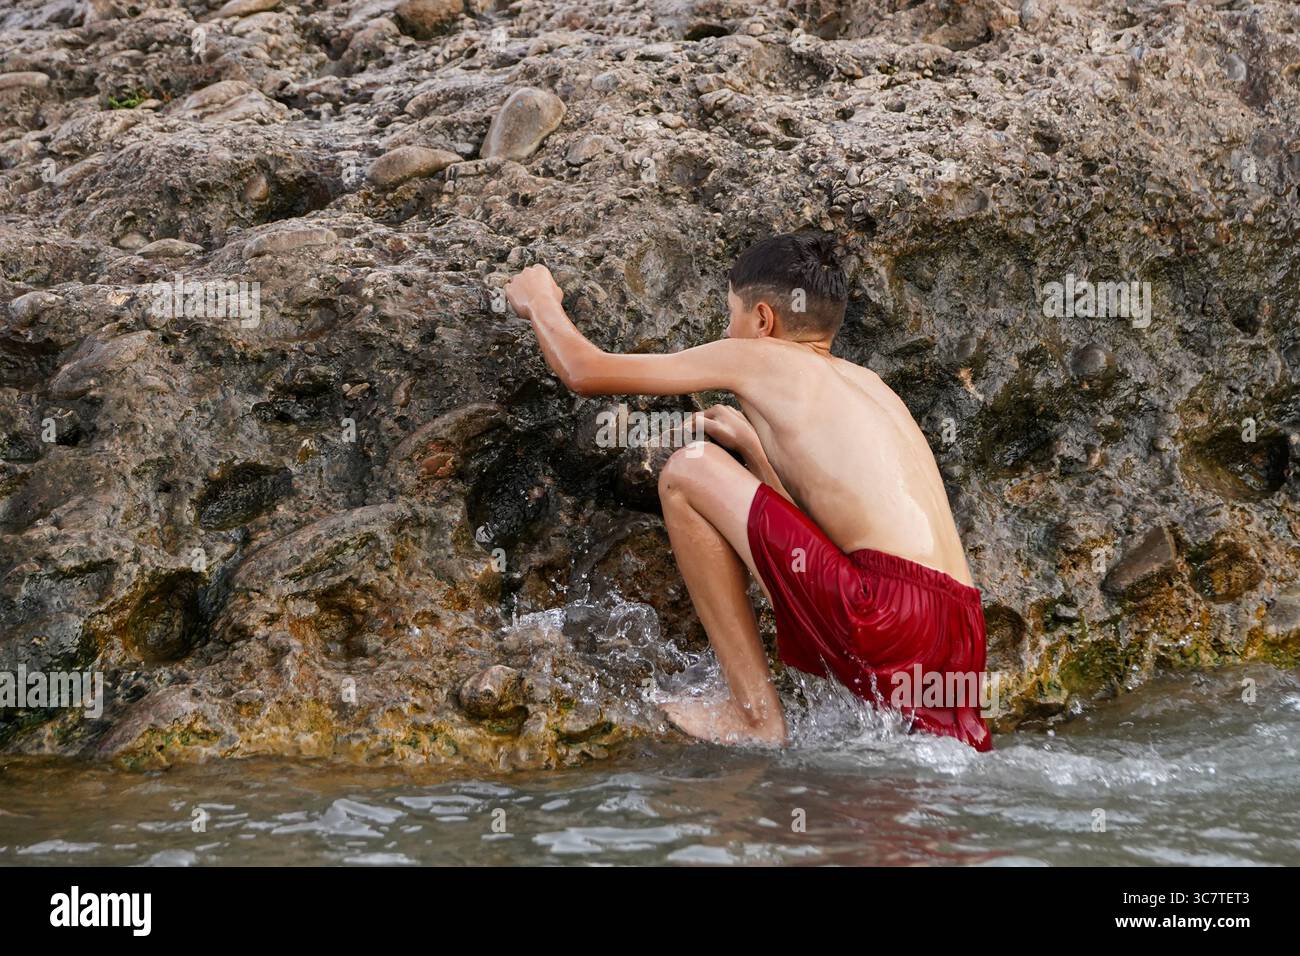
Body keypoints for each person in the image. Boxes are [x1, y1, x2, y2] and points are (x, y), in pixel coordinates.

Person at [504, 232, 992, 752]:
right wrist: (757, 454)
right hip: (960, 632)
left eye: (730, 314)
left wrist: (539, 300)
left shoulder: (759, 357)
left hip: (883, 612)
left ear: (763, 320)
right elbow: (827, 529)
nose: (725, 331)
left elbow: (585, 371)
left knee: (688, 470)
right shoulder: (871, 386)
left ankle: (756, 715)